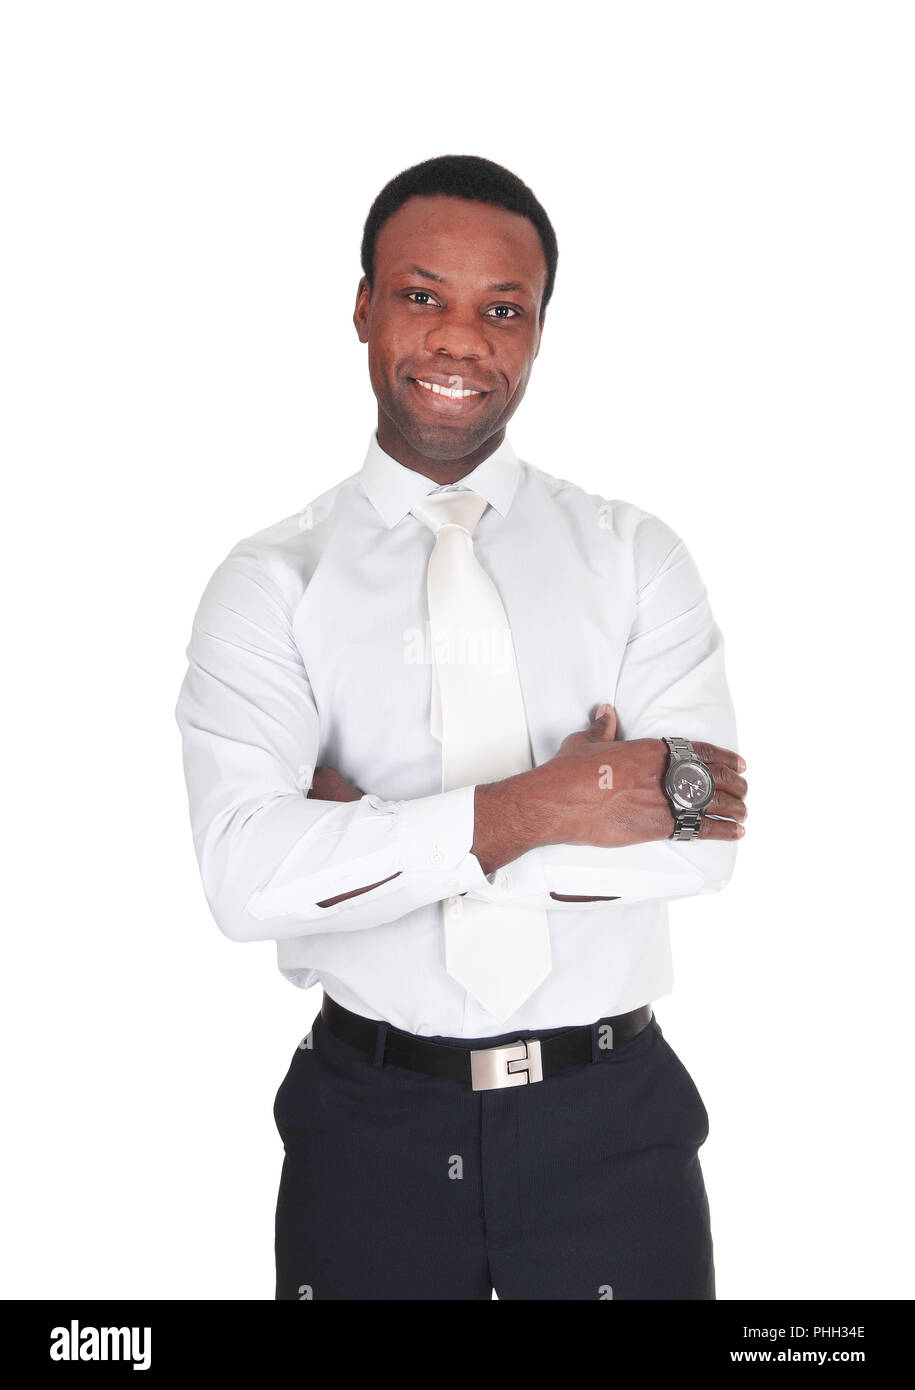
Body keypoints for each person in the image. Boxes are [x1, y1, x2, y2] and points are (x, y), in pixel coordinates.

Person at [175, 154, 748, 1301]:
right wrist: (558, 801)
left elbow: (703, 831)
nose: (459, 341)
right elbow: (244, 881)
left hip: (612, 1131)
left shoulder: (638, 556)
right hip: (368, 1131)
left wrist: (371, 842)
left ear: (538, 332)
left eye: (503, 310)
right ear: (363, 307)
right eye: (422, 295)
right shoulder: (269, 583)